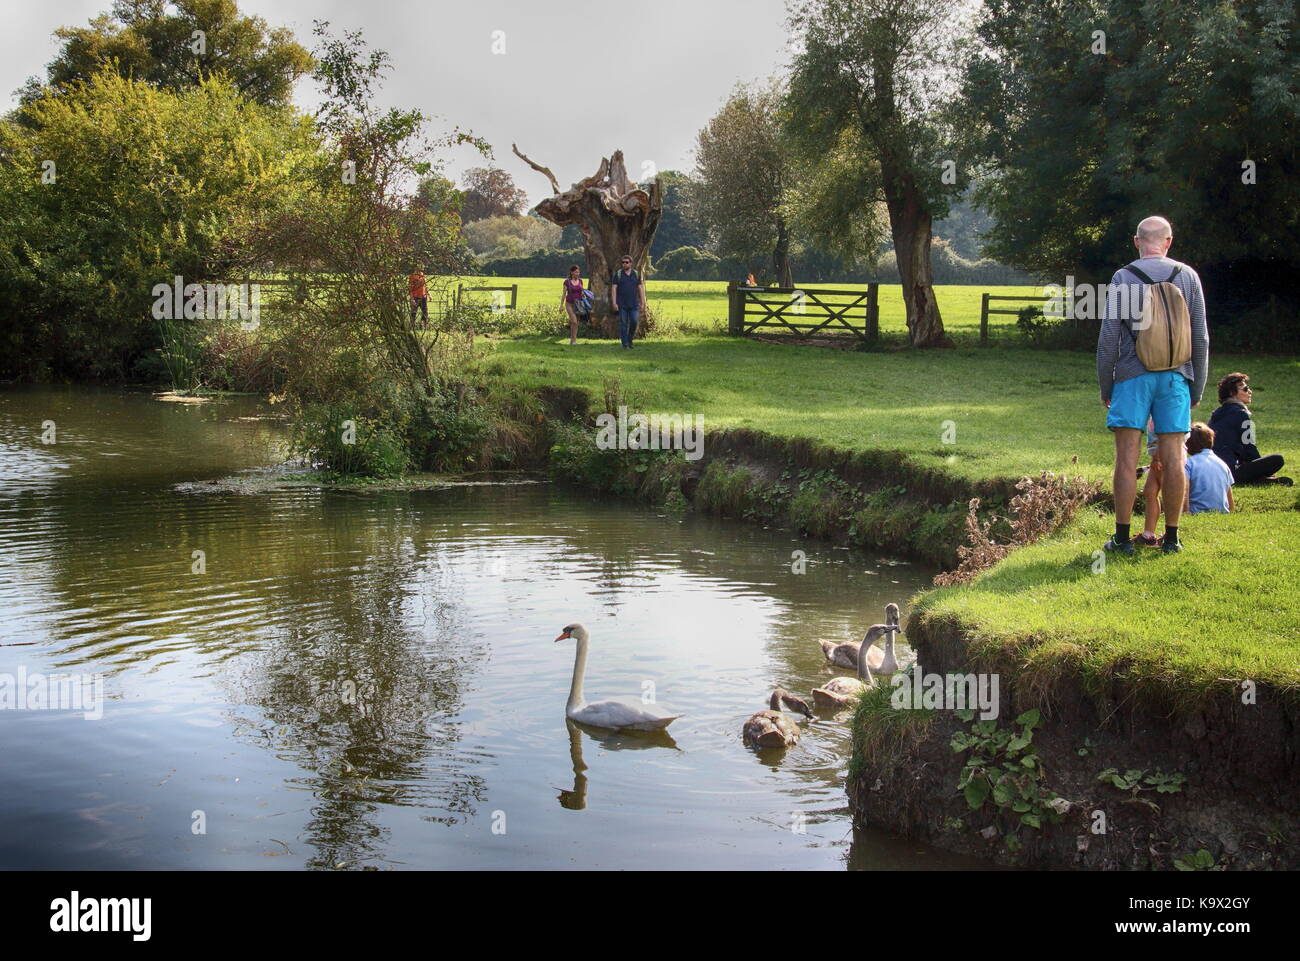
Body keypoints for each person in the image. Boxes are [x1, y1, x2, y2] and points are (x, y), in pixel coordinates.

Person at [1097, 215, 1209, 555]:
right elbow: (1201, 337)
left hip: (1132, 377)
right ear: (1169, 241)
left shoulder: (1123, 278)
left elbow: (1108, 340)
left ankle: (1121, 538)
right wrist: (1197, 388)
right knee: (1175, 459)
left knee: (1127, 460)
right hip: (1176, 376)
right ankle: (1172, 539)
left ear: (1136, 242)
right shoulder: (1187, 276)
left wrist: (1107, 387)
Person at [1208, 372, 1291, 485]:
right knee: (1277, 459)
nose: (1250, 391)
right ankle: (1259, 479)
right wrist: (1262, 469)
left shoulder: (1216, 414)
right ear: (1233, 393)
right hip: (1231, 472)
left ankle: (1259, 480)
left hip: (1213, 470)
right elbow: (1249, 447)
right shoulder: (1241, 414)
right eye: (1245, 389)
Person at [1183, 422, 1235, 514]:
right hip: (1222, 512)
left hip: (1196, 511)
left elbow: (1184, 490)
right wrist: (1230, 510)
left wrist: (1185, 511)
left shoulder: (1189, 463)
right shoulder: (1222, 464)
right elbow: (1229, 497)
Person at [610, 255, 646, 349]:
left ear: (631, 263)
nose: (624, 264)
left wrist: (643, 302)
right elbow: (614, 289)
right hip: (622, 304)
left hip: (634, 304)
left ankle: (629, 339)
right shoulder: (618, 274)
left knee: (634, 321)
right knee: (623, 323)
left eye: (626, 262)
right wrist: (614, 303)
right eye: (623, 262)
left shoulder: (636, 274)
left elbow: (640, 288)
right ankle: (625, 343)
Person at [561, 264, 585, 346]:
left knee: (575, 323)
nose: (578, 274)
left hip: (578, 304)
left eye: (578, 272)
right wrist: (561, 306)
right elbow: (564, 294)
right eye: (576, 272)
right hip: (569, 304)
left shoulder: (581, 281)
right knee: (574, 321)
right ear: (571, 272)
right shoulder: (567, 282)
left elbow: (582, 292)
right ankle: (573, 340)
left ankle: (573, 340)